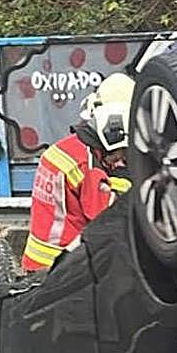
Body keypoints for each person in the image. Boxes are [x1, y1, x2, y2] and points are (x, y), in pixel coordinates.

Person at [22, 74, 135, 272]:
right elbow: (108, 218)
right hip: (63, 267)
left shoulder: (68, 148)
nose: (121, 159)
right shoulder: (88, 163)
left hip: (39, 259)